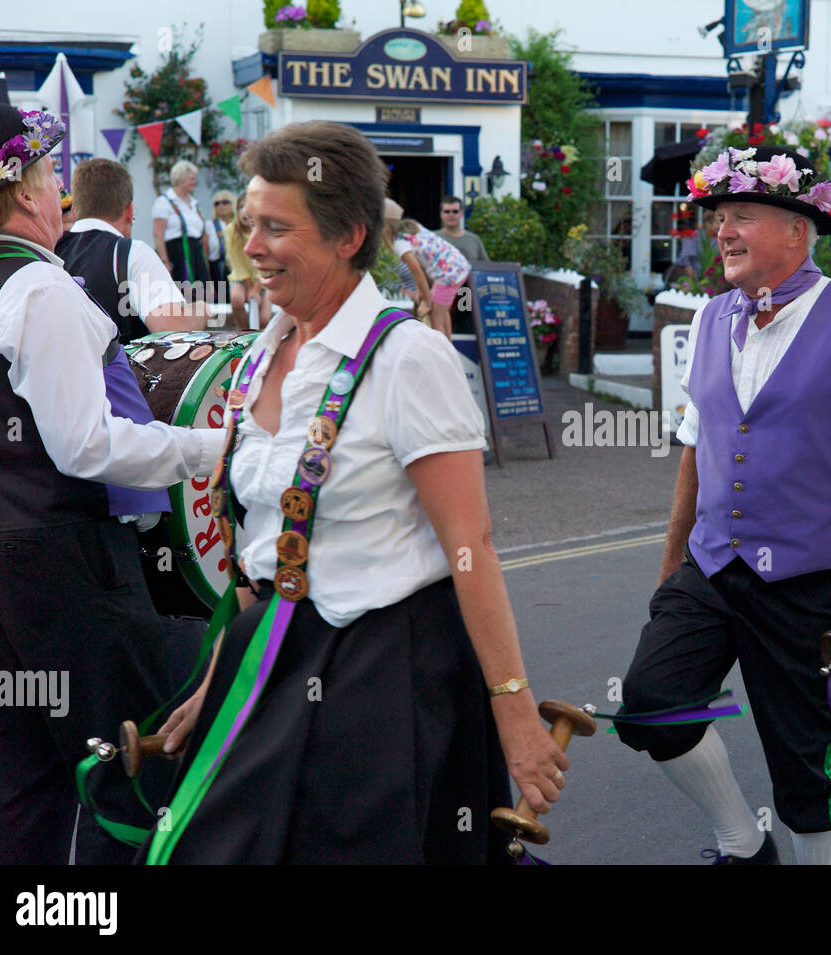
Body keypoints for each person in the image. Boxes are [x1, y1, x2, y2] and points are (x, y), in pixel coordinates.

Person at [141, 120, 564, 864]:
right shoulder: (258, 356)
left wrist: (515, 709)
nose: (255, 245)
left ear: (348, 237)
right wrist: (222, 676)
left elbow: (472, 546)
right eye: (249, 225)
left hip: (385, 666)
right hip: (272, 650)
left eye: (277, 227)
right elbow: (261, 546)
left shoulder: (409, 359)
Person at [615, 146, 831, 865]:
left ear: (797, 229)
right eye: (718, 217)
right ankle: (742, 840)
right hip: (712, 564)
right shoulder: (709, 319)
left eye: (742, 216)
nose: (722, 231)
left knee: (807, 762)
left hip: (811, 576)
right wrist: (673, 566)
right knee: (650, 703)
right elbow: (696, 449)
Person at [0, 103, 226, 864]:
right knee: (129, 757)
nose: (62, 196)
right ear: (22, 195)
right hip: (64, 553)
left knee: (33, 758)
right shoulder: (38, 293)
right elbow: (86, 445)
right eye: (51, 177)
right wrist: (212, 448)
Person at [56, 157, 209, 343]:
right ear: (128, 212)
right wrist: (202, 309)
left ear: (74, 211)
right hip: (116, 371)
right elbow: (172, 330)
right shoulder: (132, 253)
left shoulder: (49, 251)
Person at [393, 209, 470, 341]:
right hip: (459, 266)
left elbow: (419, 274)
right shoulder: (413, 228)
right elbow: (421, 262)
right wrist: (420, 291)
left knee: (436, 318)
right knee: (443, 311)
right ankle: (449, 350)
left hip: (447, 274)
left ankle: (443, 354)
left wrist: (427, 302)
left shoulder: (400, 243)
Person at [151, 159, 215, 301]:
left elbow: (202, 233)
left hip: (195, 254)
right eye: (191, 179)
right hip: (177, 253)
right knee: (181, 297)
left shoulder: (194, 203)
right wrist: (165, 262)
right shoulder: (164, 201)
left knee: (200, 298)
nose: (195, 182)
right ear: (180, 178)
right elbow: (158, 235)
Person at [225, 191, 272, 329]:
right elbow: (236, 263)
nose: (244, 211)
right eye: (240, 207)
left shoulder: (262, 229)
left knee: (264, 319)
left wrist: (256, 289)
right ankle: (245, 333)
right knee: (237, 300)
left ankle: (258, 338)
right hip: (241, 277)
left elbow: (265, 261)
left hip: (263, 277)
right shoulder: (231, 230)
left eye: (247, 206)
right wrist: (249, 288)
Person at [437, 194, 490, 263]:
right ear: (441, 214)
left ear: (462, 214)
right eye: (447, 211)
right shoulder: (432, 239)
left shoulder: (474, 240)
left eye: (455, 211)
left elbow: (487, 267)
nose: (451, 215)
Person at [209, 188, 236, 295]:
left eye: (225, 202)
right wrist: (209, 280)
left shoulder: (240, 224)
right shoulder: (210, 226)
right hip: (218, 271)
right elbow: (206, 255)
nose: (221, 206)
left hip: (238, 269)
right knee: (221, 306)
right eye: (217, 203)